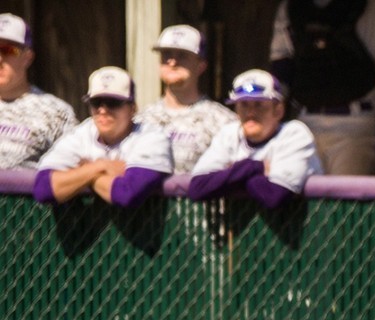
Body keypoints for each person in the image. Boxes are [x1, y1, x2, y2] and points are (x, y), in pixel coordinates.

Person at [269, 0, 375, 175]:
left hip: (355, 121)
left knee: (345, 199)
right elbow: (281, 65)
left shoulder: (369, 4)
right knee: (302, 197)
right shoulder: (292, 6)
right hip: (306, 121)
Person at [32, 66, 172, 208]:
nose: (103, 110)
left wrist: (81, 175)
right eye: (96, 103)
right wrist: (100, 167)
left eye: (113, 103)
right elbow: (43, 189)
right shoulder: (82, 133)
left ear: (132, 108)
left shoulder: (152, 137)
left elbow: (127, 194)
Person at [188, 69, 321, 209]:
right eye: (244, 105)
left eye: (259, 104)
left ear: (278, 110)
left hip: (306, 226)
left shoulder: (294, 134)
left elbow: (274, 197)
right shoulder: (229, 133)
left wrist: (230, 175)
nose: (250, 113)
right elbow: (197, 189)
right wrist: (254, 167)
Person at [134, 24, 237, 174]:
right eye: (166, 54)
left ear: (201, 65)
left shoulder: (224, 121)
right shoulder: (141, 120)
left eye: (182, 55)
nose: (173, 62)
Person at [0, 12, 77, 169]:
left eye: (8, 50)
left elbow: (73, 173)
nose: (0, 59)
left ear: (27, 58)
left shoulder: (57, 113)